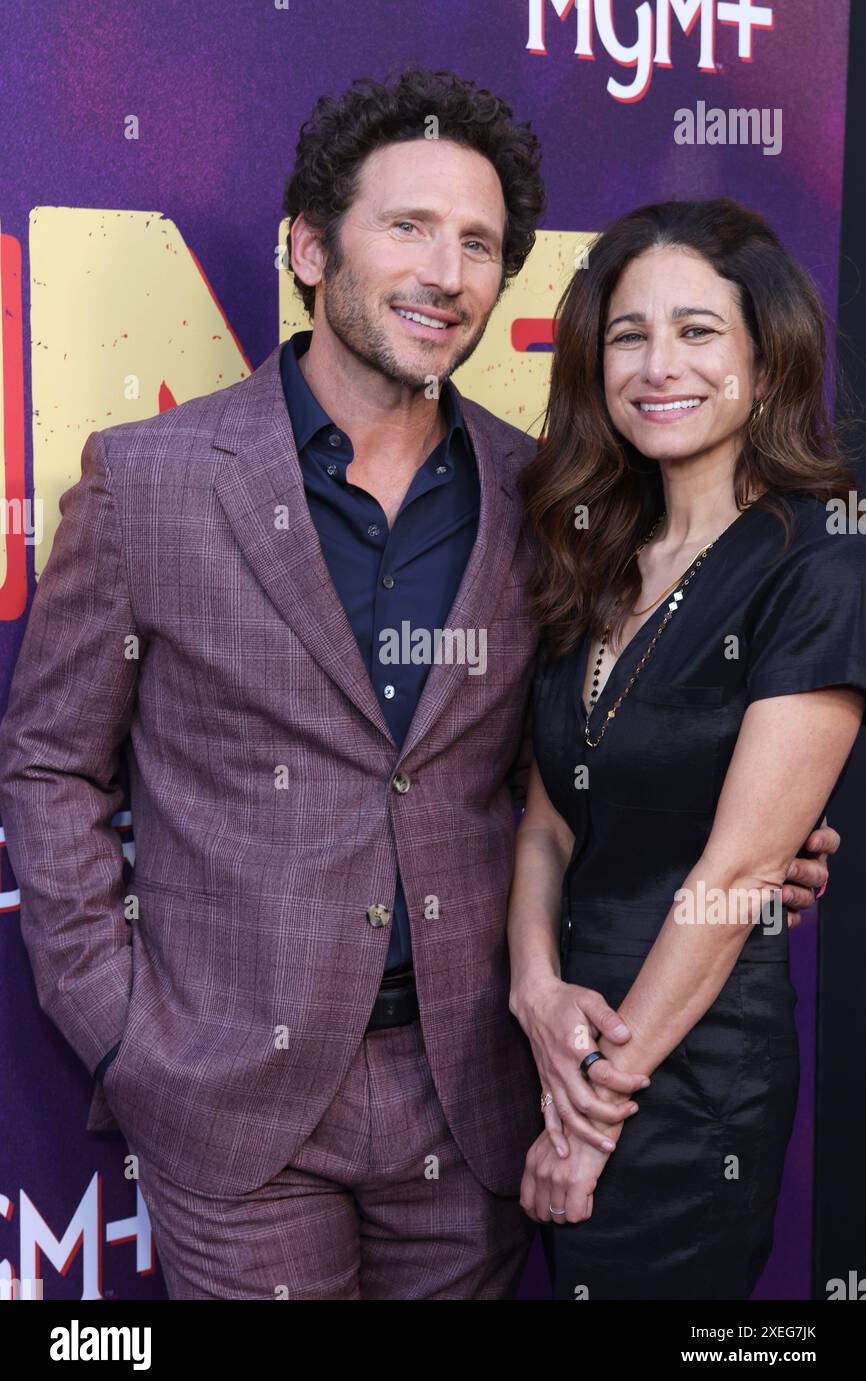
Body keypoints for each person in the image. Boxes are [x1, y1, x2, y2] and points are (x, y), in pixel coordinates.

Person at [0, 71, 834, 1300]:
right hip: (233, 1099)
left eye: (480, 244)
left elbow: (569, 758)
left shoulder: (547, 499)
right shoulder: (150, 482)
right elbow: (50, 761)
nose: (446, 271)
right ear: (307, 247)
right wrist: (123, 1028)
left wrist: (748, 854)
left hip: (475, 1093)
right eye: (407, 228)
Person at [508, 197, 866, 1300]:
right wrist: (531, 991)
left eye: (697, 331)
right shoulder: (597, 548)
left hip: (686, 1061)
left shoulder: (819, 557)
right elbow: (545, 816)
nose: (657, 365)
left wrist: (596, 1110)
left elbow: (738, 874)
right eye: (628, 334)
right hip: (554, 1037)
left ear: (764, 358)